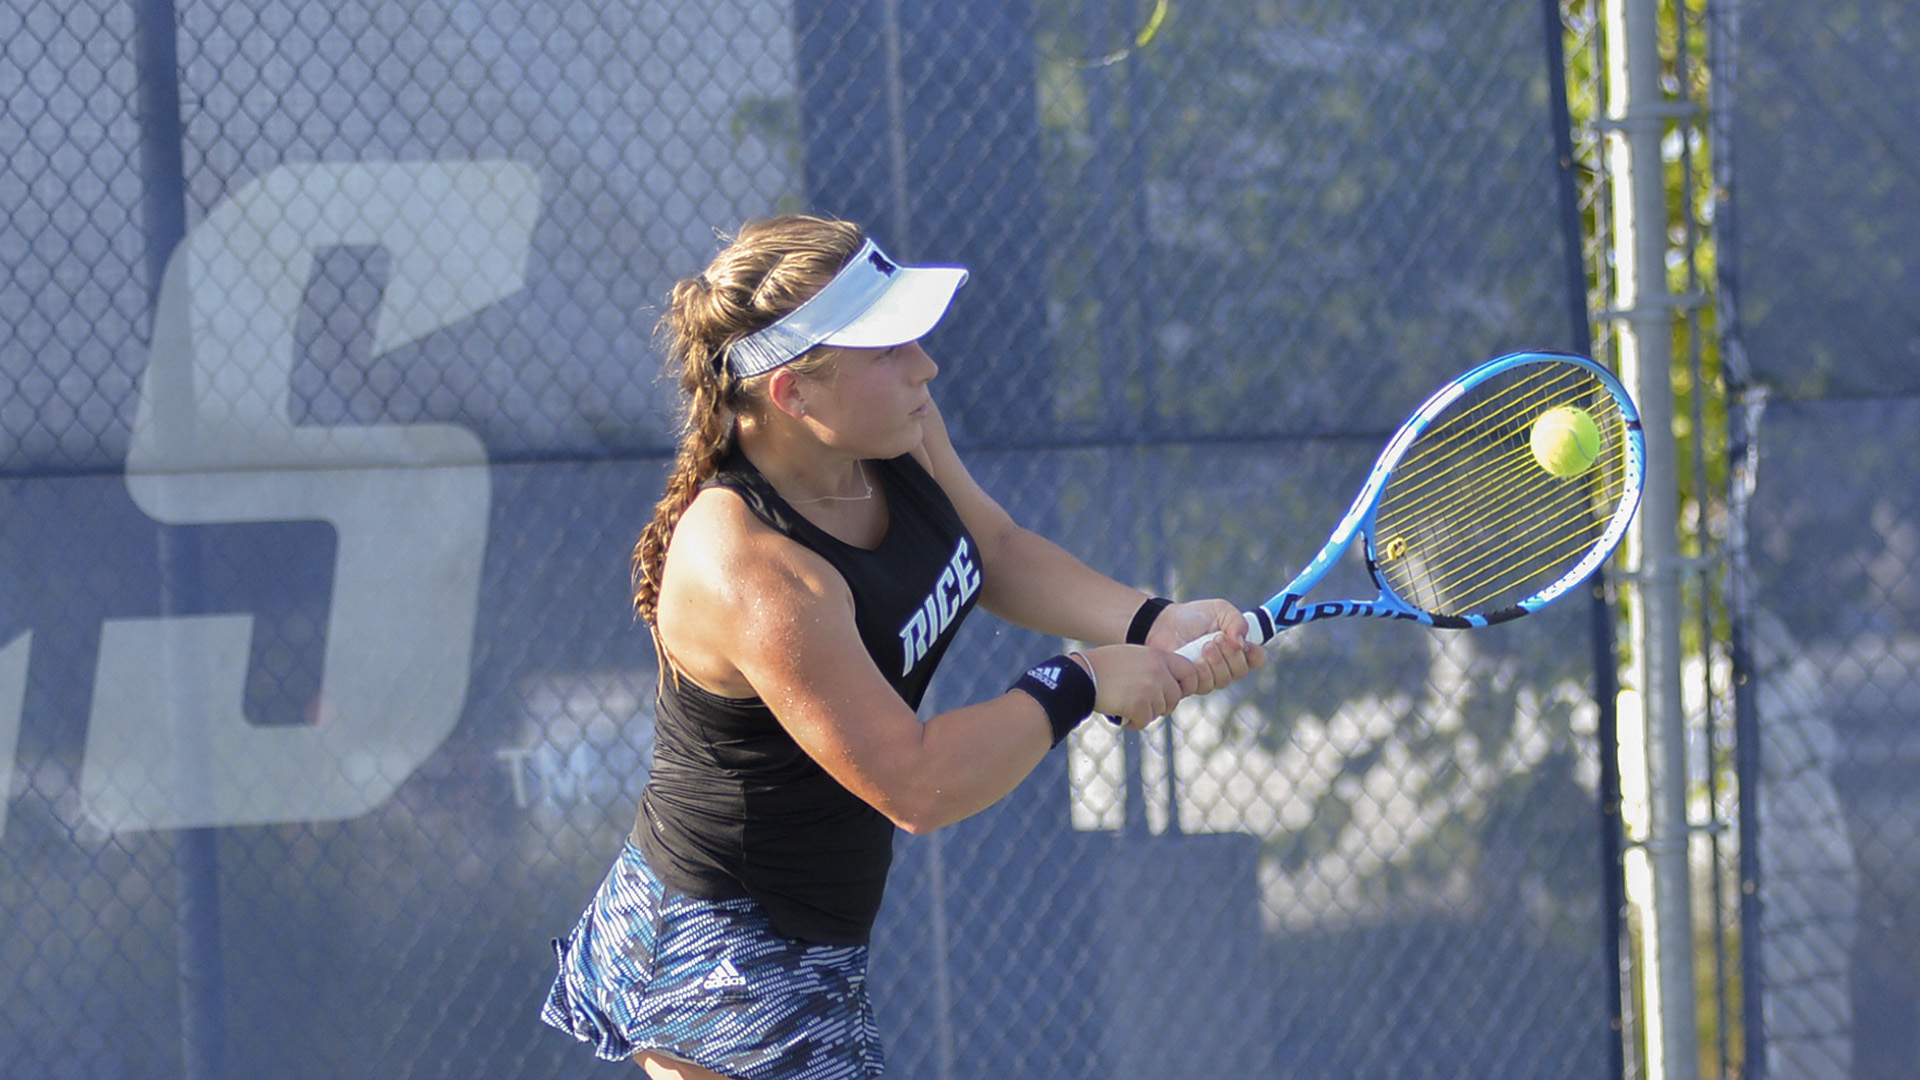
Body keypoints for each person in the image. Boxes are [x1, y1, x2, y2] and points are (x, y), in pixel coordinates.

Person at [541, 214, 1264, 1080]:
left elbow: (988, 547)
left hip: (812, 933)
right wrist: (1081, 679)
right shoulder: (752, 566)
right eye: (886, 348)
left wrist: (1150, 621)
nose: (923, 365)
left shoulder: (894, 433)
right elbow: (915, 783)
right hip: (719, 952)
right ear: (793, 396)